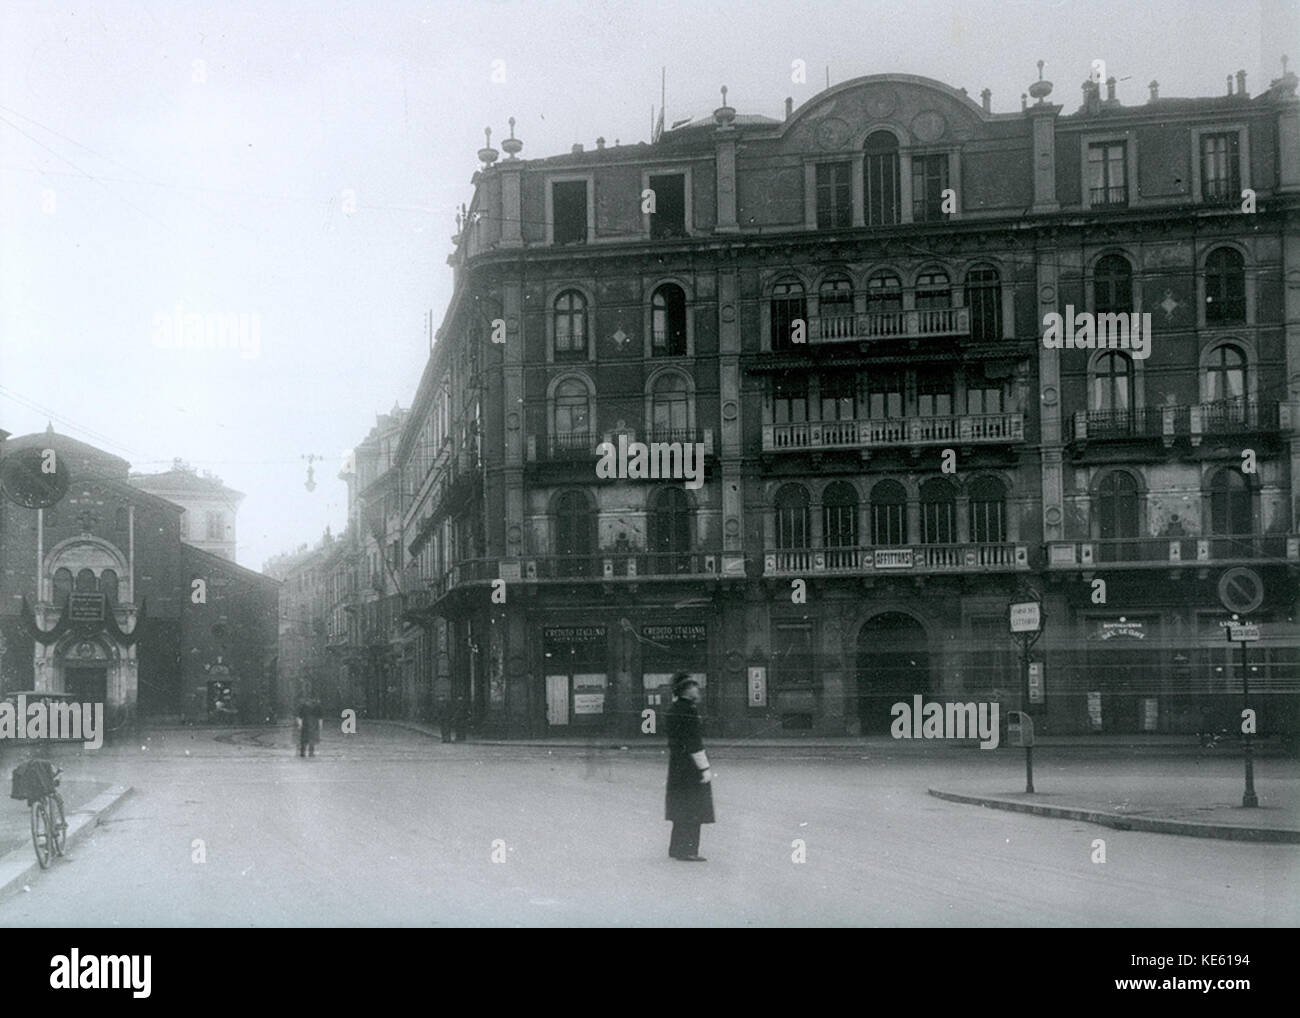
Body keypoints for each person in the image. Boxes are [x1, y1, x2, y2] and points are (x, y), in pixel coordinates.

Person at [664, 673, 714, 862]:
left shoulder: (673, 709)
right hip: (690, 766)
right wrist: (704, 768)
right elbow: (694, 743)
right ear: (686, 690)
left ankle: (676, 848)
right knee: (694, 807)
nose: (697, 690)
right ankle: (689, 850)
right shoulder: (689, 711)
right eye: (694, 687)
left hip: (677, 765)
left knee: (680, 806)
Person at [295, 692, 323, 758]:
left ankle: (302, 753)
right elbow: (320, 718)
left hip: (305, 722)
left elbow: (299, 717)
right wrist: (320, 726)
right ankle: (311, 753)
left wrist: (300, 725)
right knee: (312, 738)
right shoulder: (318, 706)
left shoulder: (303, 706)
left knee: (303, 739)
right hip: (314, 723)